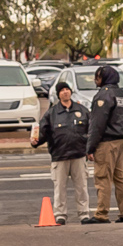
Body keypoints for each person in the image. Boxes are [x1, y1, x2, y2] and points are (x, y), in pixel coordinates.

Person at [30, 75, 94, 223]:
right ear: (58, 94)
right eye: (62, 90)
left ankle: (84, 214)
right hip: (60, 155)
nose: (65, 92)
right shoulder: (52, 113)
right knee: (60, 188)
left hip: (79, 154)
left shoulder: (82, 110)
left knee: (82, 187)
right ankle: (60, 215)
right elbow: (43, 132)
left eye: (67, 89)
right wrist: (35, 141)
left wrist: (91, 149)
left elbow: (91, 131)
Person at [85, 62, 123, 223]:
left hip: (107, 142)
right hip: (122, 140)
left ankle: (101, 214)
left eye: (97, 77)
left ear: (103, 78)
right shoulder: (122, 94)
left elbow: (97, 123)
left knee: (103, 177)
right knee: (120, 177)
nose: (95, 80)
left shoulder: (103, 95)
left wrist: (90, 147)